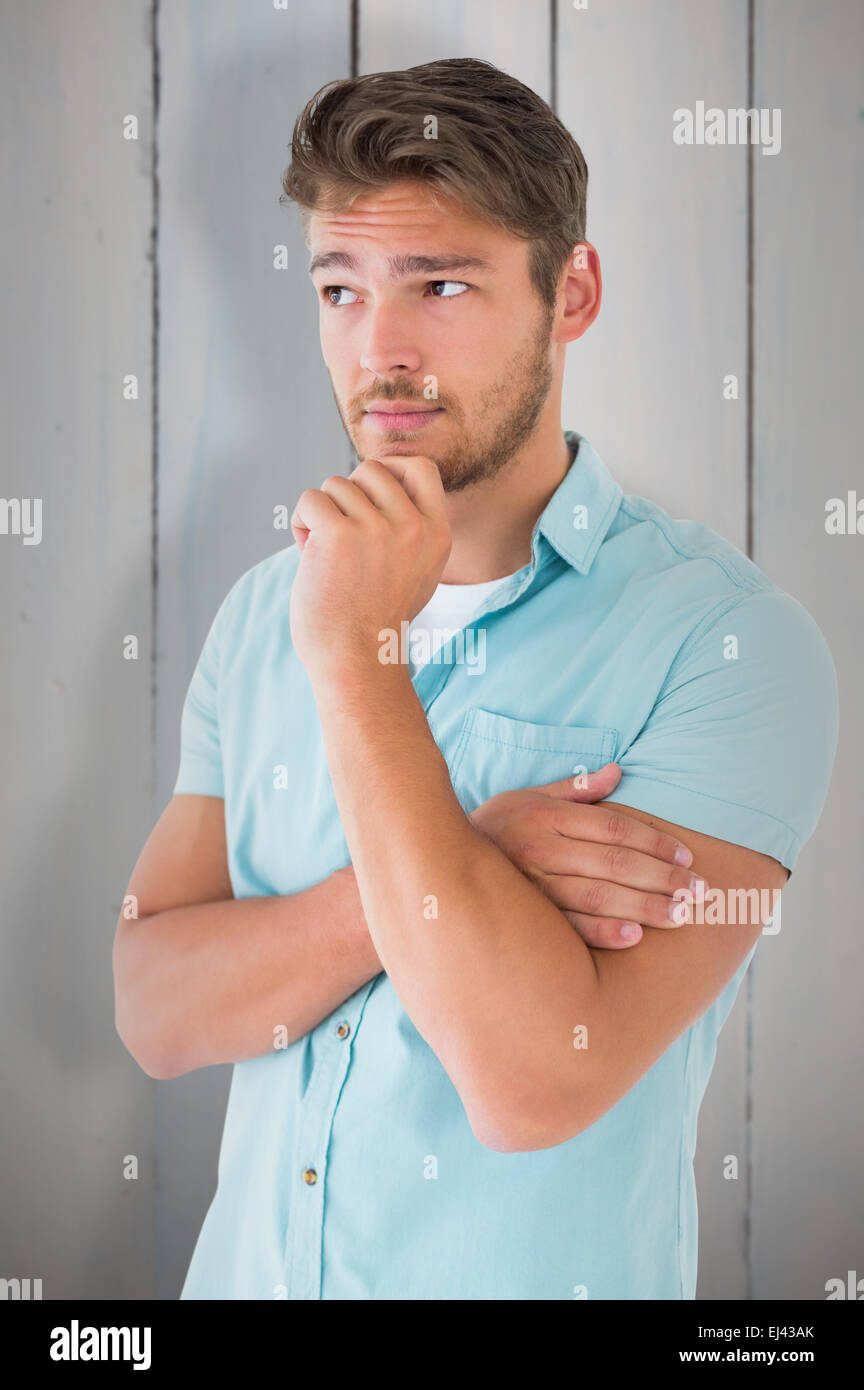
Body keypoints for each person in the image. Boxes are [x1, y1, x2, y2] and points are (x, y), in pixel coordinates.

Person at [113, 57, 838, 1300]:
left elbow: (534, 1080)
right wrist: (469, 858)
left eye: (439, 284)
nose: (378, 350)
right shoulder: (257, 612)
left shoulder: (729, 647)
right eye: (339, 289)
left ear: (575, 293)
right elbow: (158, 1009)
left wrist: (355, 661)